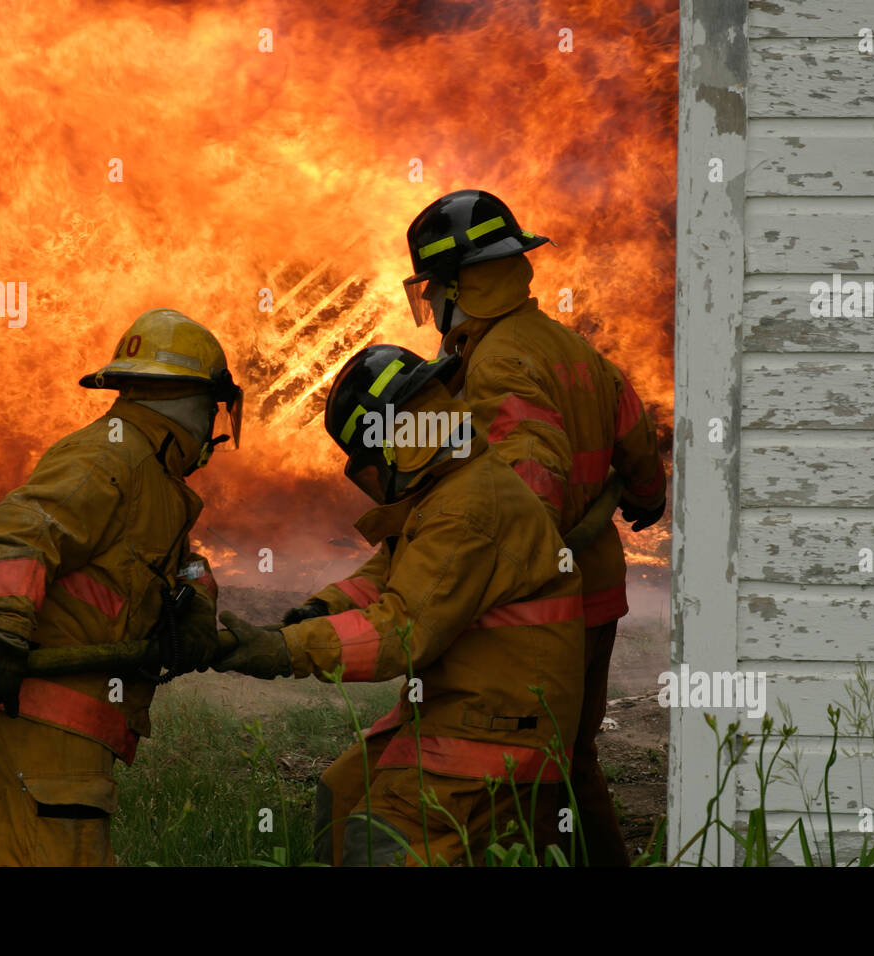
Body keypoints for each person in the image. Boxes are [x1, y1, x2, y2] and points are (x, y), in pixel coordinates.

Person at [214, 344, 585, 866]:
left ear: (392, 444)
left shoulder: (466, 509)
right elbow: (393, 573)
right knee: (341, 794)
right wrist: (314, 615)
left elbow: (402, 631)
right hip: (468, 707)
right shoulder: (454, 483)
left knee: (382, 837)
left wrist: (288, 652)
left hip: (499, 724)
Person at [401, 189, 667, 866]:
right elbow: (633, 430)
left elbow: (529, 487)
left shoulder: (496, 362)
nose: (431, 306)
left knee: (536, 759)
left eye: (434, 291)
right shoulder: (566, 344)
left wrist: (476, 570)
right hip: (597, 586)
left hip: (544, 602)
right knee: (573, 756)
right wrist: (644, 494)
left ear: (460, 284)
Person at [0, 308, 241, 866]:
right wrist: (3, 634)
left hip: (55, 707)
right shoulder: (108, 454)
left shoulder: (150, 473)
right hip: (27, 695)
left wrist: (197, 603)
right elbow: (26, 527)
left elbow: (169, 566)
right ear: (200, 402)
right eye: (214, 410)